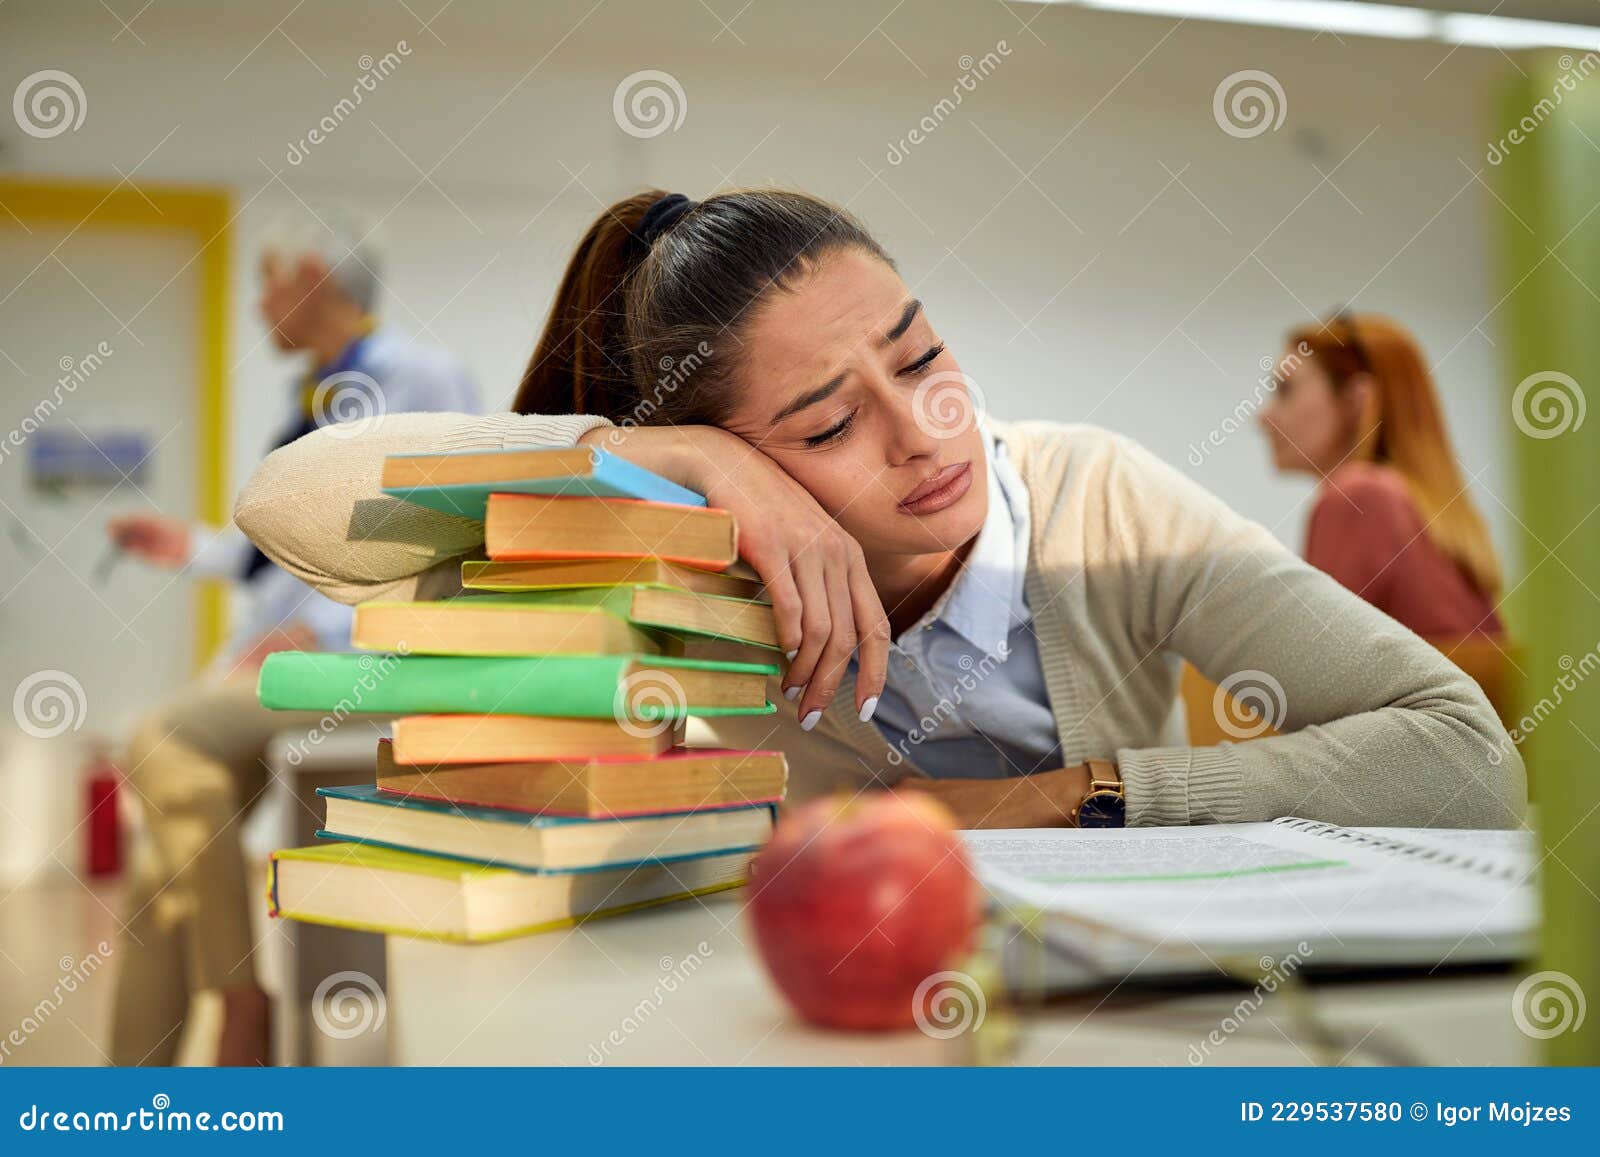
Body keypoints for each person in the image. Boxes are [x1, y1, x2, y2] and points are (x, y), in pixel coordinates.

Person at [235, 187, 1524, 847]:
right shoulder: (702, 556)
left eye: (920, 357)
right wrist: (669, 453)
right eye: (824, 425)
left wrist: (1058, 799)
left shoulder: (1100, 501)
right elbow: (287, 500)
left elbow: (1466, 757)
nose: (926, 432)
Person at [105, 216, 479, 1067]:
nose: (256, 302)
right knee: (160, 870)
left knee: (159, 736)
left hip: (367, 662)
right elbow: (284, 554)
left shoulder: (424, 377)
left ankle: (243, 1002)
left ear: (315, 276)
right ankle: (130, 1099)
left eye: (267, 279)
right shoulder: (306, 396)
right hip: (292, 666)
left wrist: (314, 629)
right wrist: (190, 546)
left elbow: (451, 539)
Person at [1258, 313, 1504, 639]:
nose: (1263, 417)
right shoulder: (1413, 504)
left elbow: (1317, 668)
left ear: (1356, 400)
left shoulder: (1359, 496)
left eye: (1285, 390)